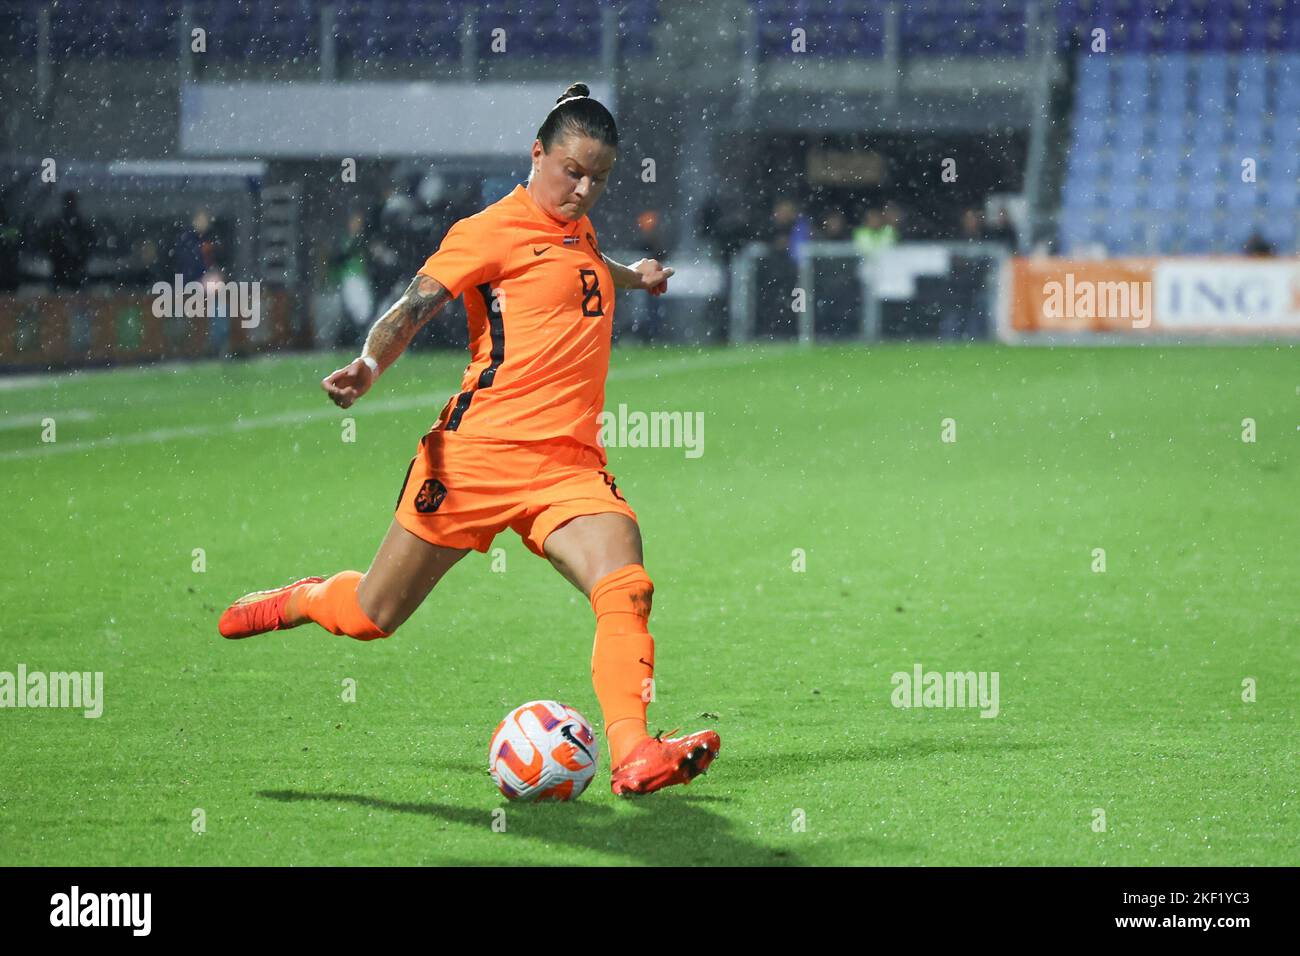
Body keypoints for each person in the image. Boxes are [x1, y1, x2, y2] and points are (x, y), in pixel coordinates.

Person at [216, 83, 720, 797]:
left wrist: (633, 278)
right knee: (371, 617)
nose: (583, 189)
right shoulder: (488, 231)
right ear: (537, 153)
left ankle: (635, 753)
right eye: (571, 171)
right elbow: (414, 307)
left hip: (567, 467)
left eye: (598, 179)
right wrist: (367, 365)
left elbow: (582, 267)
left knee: (626, 587)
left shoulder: (578, 230)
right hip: (474, 459)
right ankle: (302, 599)